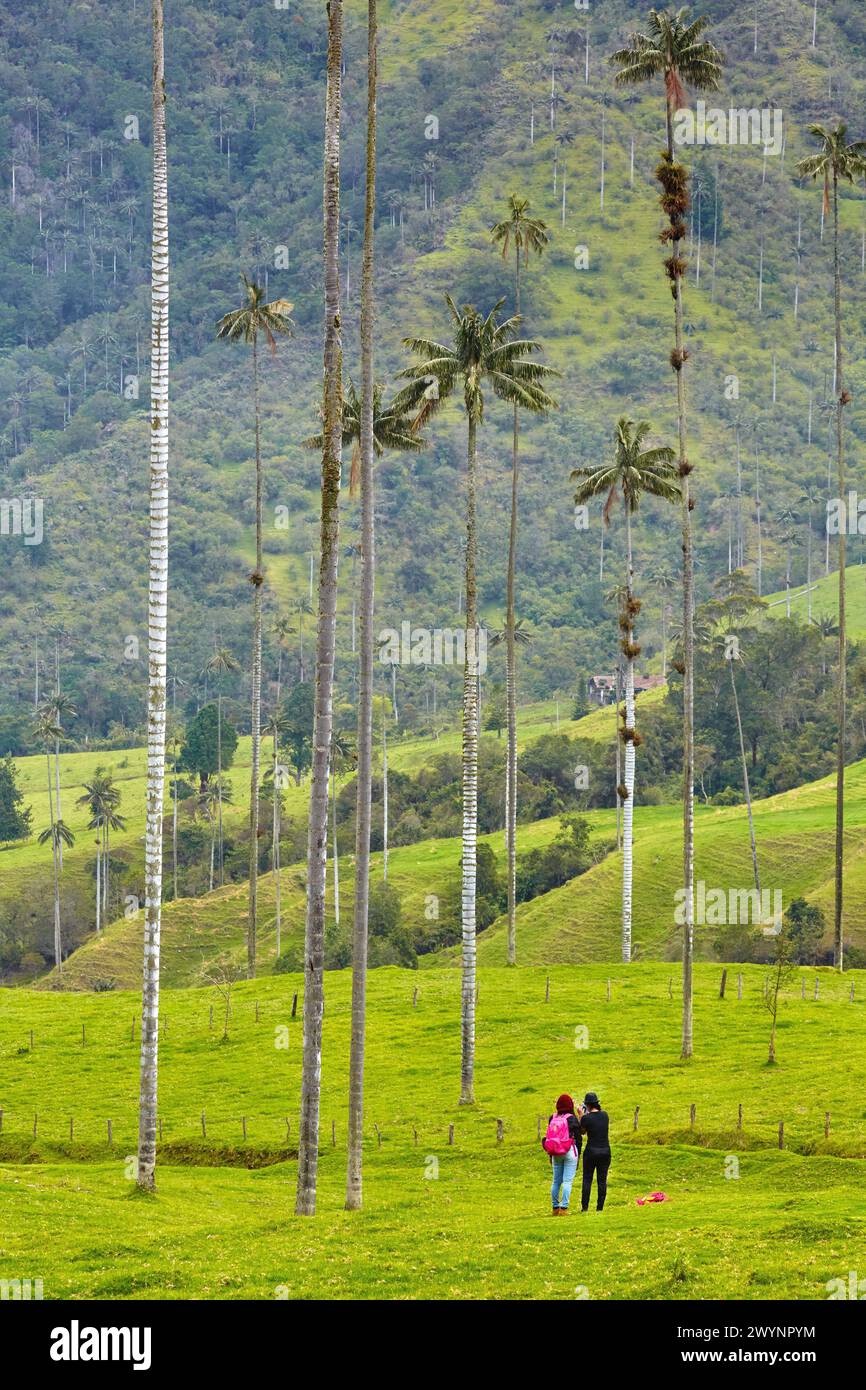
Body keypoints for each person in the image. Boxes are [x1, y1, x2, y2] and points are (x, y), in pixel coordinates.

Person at [543, 1093, 582, 1215]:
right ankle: (564, 1208)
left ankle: (555, 1208)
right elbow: (579, 1138)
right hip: (569, 1150)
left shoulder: (552, 1118)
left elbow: (550, 1137)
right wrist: (578, 1155)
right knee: (567, 1181)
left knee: (556, 1181)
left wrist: (550, 1155)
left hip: (555, 1152)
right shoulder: (572, 1118)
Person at [578, 1091, 611, 1212]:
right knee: (602, 1180)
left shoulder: (586, 1118)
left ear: (587, 1105)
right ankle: (600, 1207)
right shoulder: (605, 1115)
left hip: (591, 1151)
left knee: (587, 1179)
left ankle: (585, 1207)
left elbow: (582, 1131)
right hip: (605, 1151)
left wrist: (581, 1115)